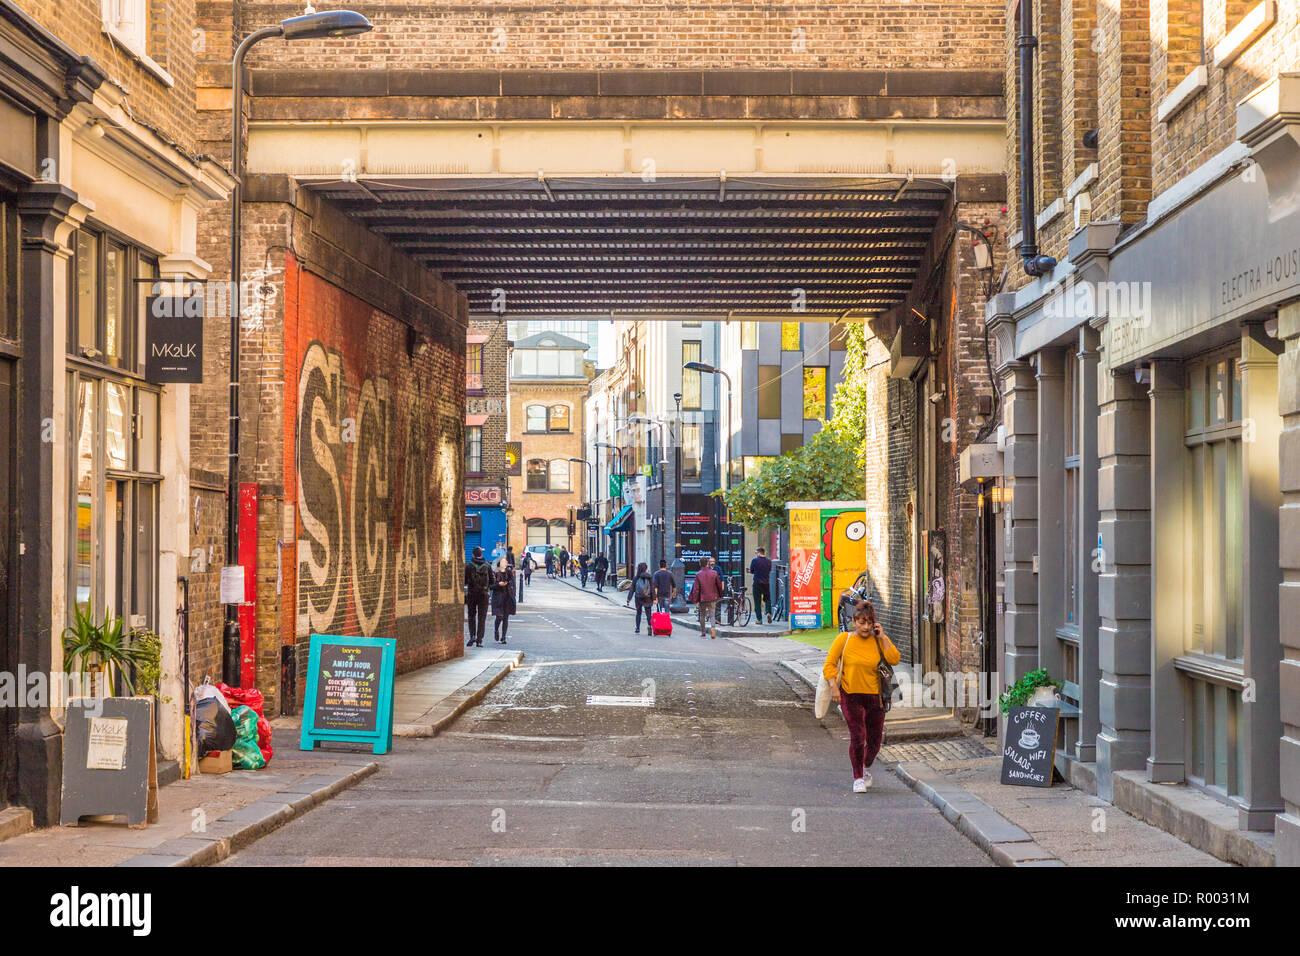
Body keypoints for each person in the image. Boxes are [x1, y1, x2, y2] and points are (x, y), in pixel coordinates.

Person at [823, 601, 901, 792]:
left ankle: (865, 767)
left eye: (868, 622)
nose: (865, 627)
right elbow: (829, 665)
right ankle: (857, 777)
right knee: (858, 736)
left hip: (876, 698)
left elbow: (895, 659)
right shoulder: (844, 639)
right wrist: (834, 687)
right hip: (851, 696)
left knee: (874, 742)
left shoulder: (878, 640)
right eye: (861, 622)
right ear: (854, 621)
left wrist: (882, 637)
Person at [463, 546, 493, 647]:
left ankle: (472, 636)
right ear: (481, 554)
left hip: (472, 594)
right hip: (484, 595)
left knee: (471, 616)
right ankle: (479, 640)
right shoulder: (487, 566)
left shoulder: (468, 566)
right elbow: (492, 582)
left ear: (473, 555)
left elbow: (465, 581)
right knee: (482, 617)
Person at [689, 556, 724, 640]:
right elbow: (719, 585)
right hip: (712, 597)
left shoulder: (698, 574)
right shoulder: (714, 573)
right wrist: (719, 594)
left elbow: (696, 589)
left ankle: (703, 632)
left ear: (700, 564)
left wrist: (695, 600)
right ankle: (713, 628)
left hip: (703, 598)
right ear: (707, 563)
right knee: (712, 615)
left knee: (702, 615)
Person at [490, 555, 516, 644]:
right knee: (499, 616)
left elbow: (513, 583)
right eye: (502, 562)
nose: (504, 564)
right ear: (499, 563)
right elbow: (491, 586)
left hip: (507, 597)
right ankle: (496, 630)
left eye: (505, 562)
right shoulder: (495, 573)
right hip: (498, 597)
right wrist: (498, 584)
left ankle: (504, 637)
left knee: (505, 618)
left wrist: (509, 585)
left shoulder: (509, 573)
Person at [750, 547, 774, 624]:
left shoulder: (755, 560)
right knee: (767, 599)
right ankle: (768, 613)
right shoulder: (769, 561)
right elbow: (769, 570)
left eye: (756, 553)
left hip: (757, 582)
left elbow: (751, 570)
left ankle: (759, 619)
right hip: (766, 583)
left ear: (759, 553)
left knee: (757, 601)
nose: (756, 554)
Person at [631, 562, 655, 634]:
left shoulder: (636, 577)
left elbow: (632, 589)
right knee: (648, 613)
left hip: (638, 597)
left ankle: (637, 628)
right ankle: (649, 627)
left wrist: (629, 598)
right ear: (646, 569)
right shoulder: (649, 577)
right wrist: (654, 598)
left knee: (638, 613)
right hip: (648, 597)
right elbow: (652, 588)